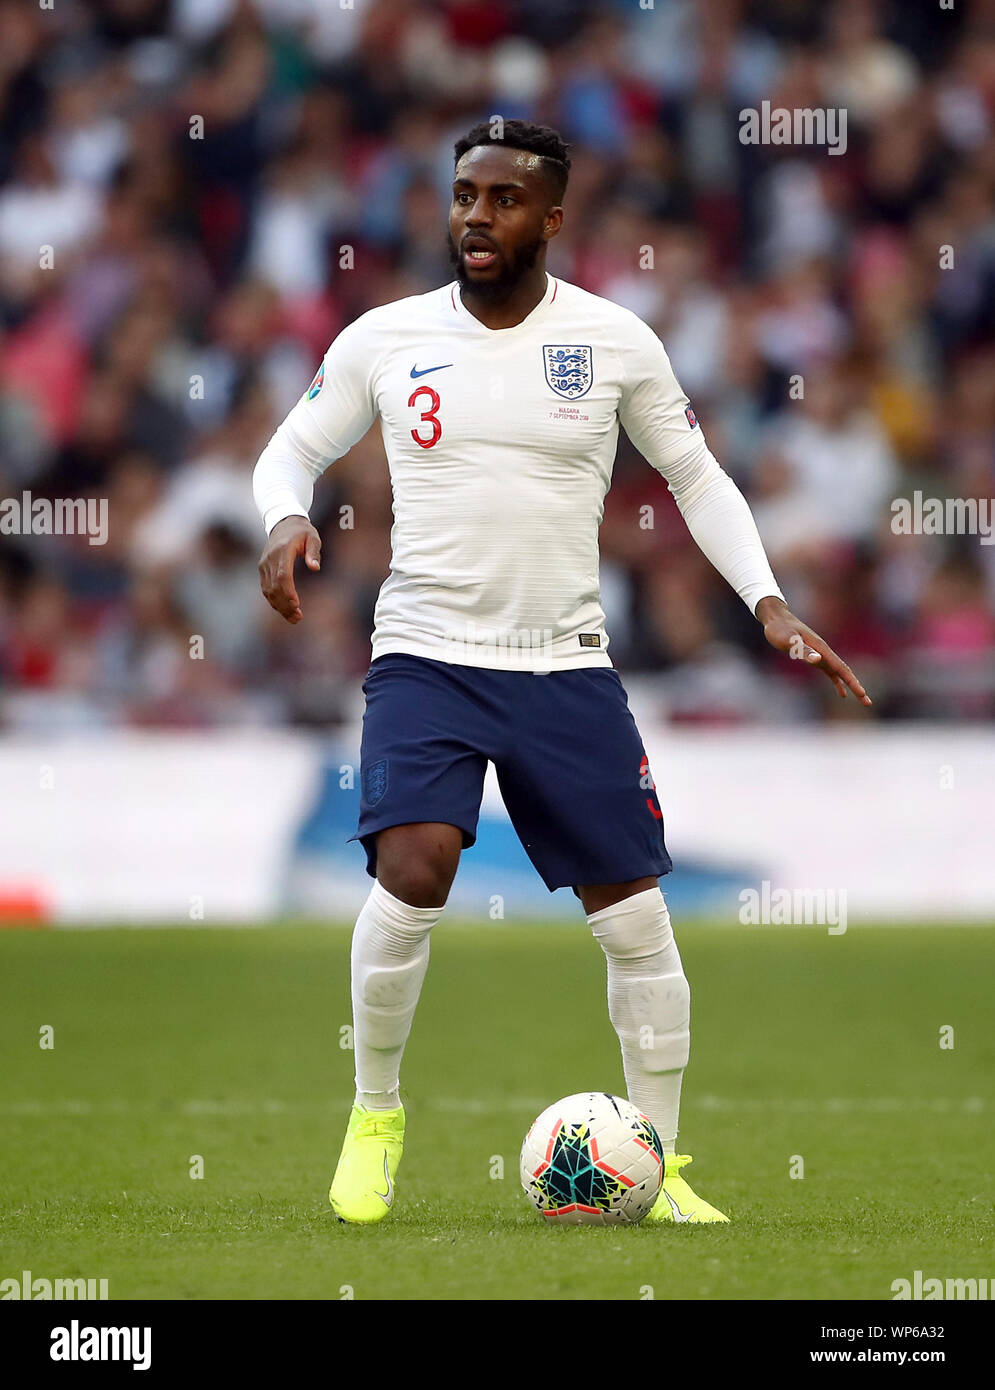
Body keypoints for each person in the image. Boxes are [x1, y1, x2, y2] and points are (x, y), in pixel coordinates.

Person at [253, 120, 871, 1225]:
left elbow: (697, 478)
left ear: (551, 217)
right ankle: (376, 1113)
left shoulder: (616, 342)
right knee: (415, 867)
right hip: (426, 657)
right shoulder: (385, 338)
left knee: (634, 917)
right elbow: (290, 446)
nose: (474, 217)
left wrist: (768, 604)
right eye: (461, 195)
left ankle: (662, 1160)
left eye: (501, 199)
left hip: (563, 664)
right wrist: (285, 516)